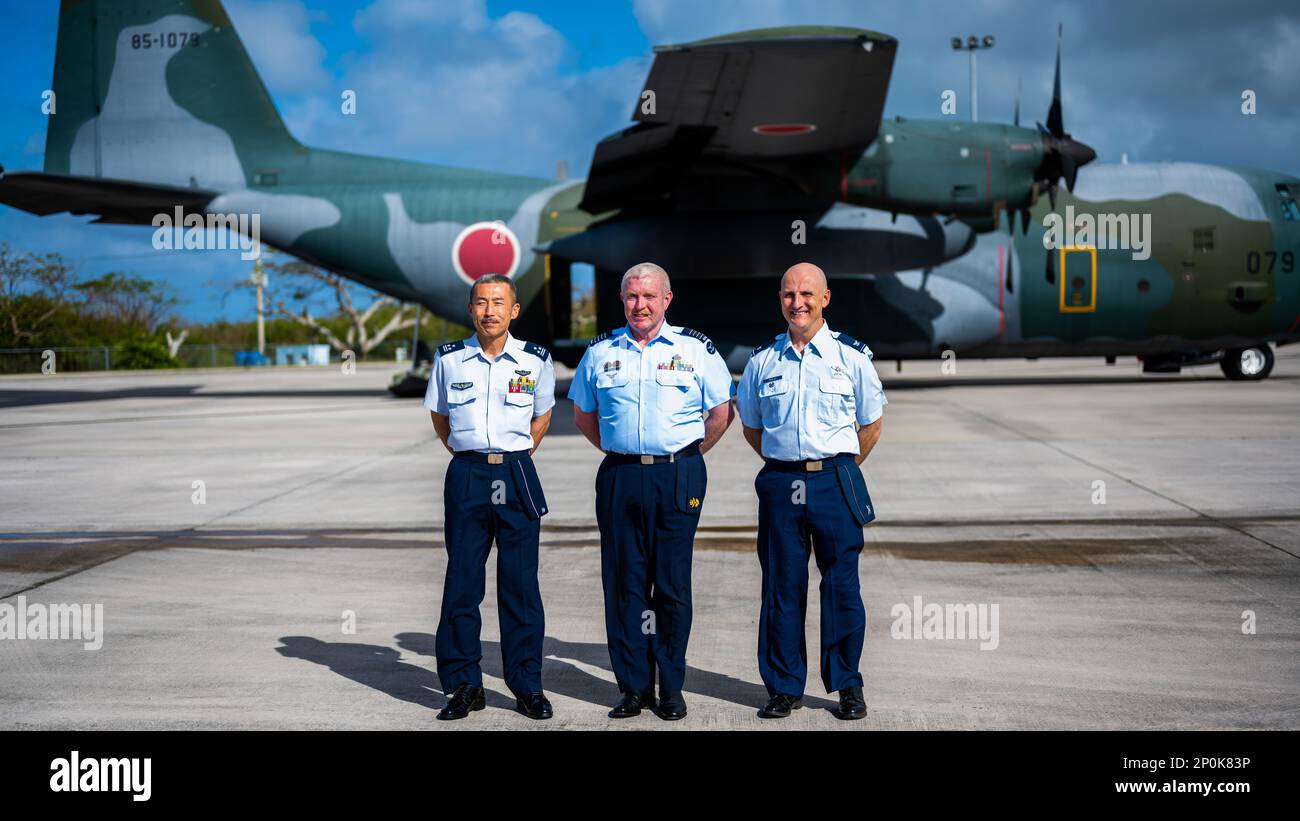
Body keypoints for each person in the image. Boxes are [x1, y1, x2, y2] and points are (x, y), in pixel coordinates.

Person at [568, 262, 734, 720]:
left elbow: (721, 412)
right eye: (631, 297)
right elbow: (584, 414)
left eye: (648, 297)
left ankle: (671, 687)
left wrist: (685, 454)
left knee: (673, 587)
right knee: (624, 584)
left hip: (678, 475)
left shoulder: (695, 349)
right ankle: (633, 687)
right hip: (621, 476)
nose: (639, 306)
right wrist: (624, 452)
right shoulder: (601, 352)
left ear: (666, 299)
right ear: (623, 301)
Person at [735, 262, 886, 720]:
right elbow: (752, 426)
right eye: (788, 294)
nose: (796, 302)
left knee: (841, 586)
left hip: (835, 480)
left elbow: (872, 423)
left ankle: (846, 685)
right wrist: (790, 467)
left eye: (806, 294)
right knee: (782, 586)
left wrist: (832, 467)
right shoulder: (763, 360)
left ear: (825, 299)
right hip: (781, 483)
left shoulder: (852, 357)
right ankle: (784, 686)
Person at [423, 273, 555, 721]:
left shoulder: (535, 359)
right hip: (467, 475)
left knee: (520, 587)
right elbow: (441, 419)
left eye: (498, 302)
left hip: (516, 471)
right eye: (481, 302)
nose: (489, 310)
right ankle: (463, 685)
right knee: (462, 584)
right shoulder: (449, 360)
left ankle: (527, 686)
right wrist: (473, 456)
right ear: (470, 310)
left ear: (513, 311)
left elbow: (542, 416)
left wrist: (510, 454)